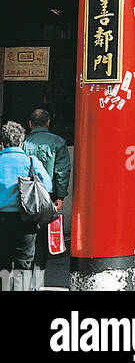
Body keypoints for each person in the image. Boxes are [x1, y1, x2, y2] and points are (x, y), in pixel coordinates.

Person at [0, 120, 52, 291]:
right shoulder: (31, 161)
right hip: (26, 218)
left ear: (2, 143)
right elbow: (47, 185)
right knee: (24, 261)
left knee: (3, 261)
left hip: (2, 219)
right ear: (21, 141)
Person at [22, 108, 70, 291]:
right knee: (43, 239)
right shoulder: (58, 142)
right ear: (48, 122)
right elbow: (62, 172)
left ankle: (25, 280)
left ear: (30, 124)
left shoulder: (23, 142)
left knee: (27, 236)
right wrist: (60, 196)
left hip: (26, 195)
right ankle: (38, 279)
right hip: (47, 196)